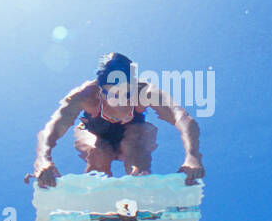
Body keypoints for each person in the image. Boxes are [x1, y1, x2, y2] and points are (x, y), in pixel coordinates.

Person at [27, 52, 204, 188]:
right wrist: (43, 160)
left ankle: (138, 183)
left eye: (126, 93)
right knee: (99, 152)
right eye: (112, 94)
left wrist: (192, 157)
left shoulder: (145, 92)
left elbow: (183, 118)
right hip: (95, 131)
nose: (119, 102)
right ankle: (99, 198)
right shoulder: (85, 96)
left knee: (135, 144)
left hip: (132, 131)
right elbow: (52, 128)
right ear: (100, 89)